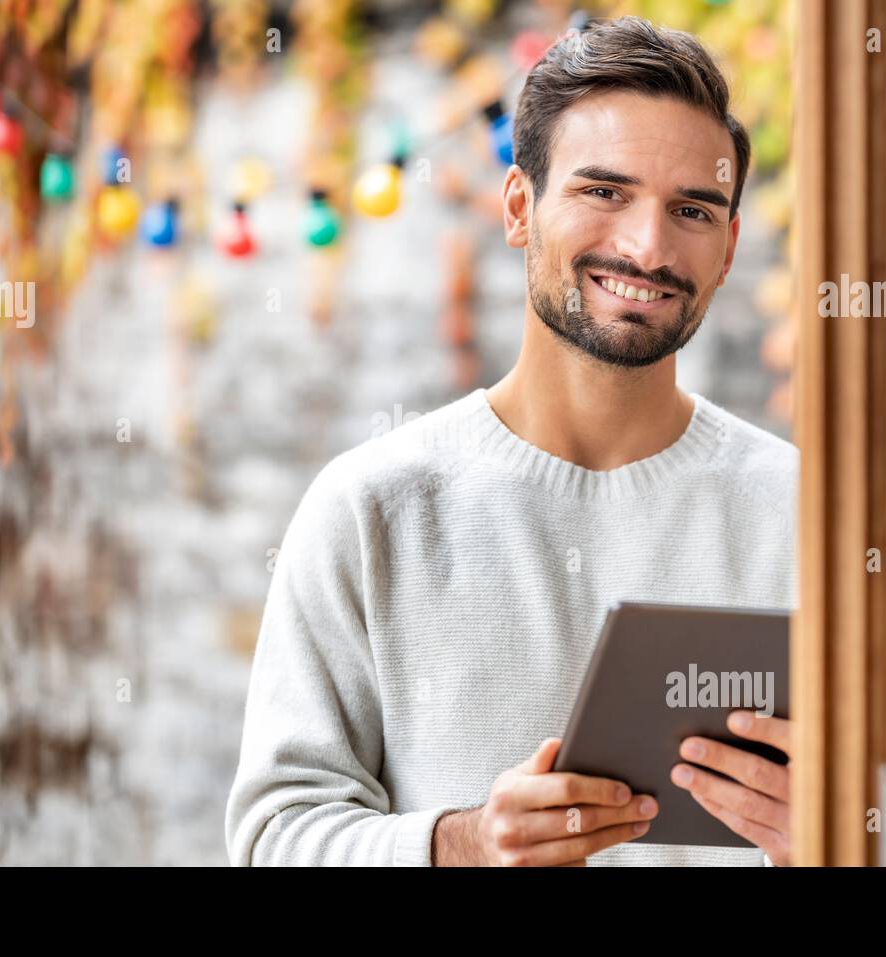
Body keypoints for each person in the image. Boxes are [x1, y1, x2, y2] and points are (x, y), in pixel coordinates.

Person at [225, 16, 796, 867]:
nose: (647, 245)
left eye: (693, 209)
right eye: (604, 192)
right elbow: (274, 838)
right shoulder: (369, 510)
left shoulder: (805, 515)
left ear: (729, 249)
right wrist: (461, 847)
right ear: (520, 208)